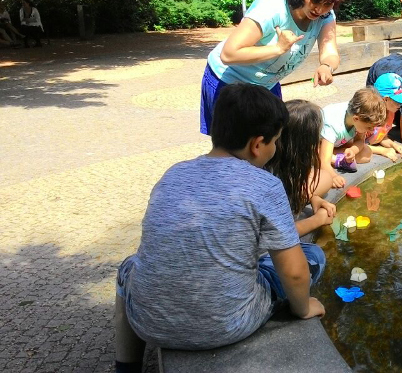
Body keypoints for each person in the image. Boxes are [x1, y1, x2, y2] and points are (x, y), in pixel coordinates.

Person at [114, 84, 329, 373]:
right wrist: (303, 309)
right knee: (313, 257)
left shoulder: (173, 173)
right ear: (257, 144)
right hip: (227, 324)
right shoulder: (266, 185)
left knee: (128, 266)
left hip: (148, 322)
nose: (276, 148)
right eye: (275, 141)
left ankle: (125, 367)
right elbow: (294, 271)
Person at [201, 0, 348, 135]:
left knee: (272, 144)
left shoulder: (325, 15)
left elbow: (330, 51)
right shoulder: (272, 7)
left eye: (328, 3)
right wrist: (278, 49)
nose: (319, 8)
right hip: (230, 82)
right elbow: (229, 53)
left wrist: (327, 66)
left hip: (267, 85)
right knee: (235, 151)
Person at [265, 99, 337, 237]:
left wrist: (314, 198)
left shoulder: (279, 159)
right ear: (304, 145)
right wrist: (317, 220)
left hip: (289, 191)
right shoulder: (271, 181)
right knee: (315, 254)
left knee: (325, 178)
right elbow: (276, 235)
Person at [319, 87, 386, 188]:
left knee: (366, 154)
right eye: (369, 127)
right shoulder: (332, 125)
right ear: (356, 119)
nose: (372, 131)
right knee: (317, 157)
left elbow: (360, 141)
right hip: (314, 144)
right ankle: (332, 159)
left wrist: (352, 150)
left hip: (337, 144)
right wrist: (333, 176)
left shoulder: (358, 116)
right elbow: (324, 162)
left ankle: (335, 158)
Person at [365, 73, 402, 162]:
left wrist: (393, 145)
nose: (401, 105)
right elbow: (355, 145)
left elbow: (380, 137)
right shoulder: (367, 118)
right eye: (399, 102)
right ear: (385, 99)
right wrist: (381, 150)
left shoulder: (390, 112)